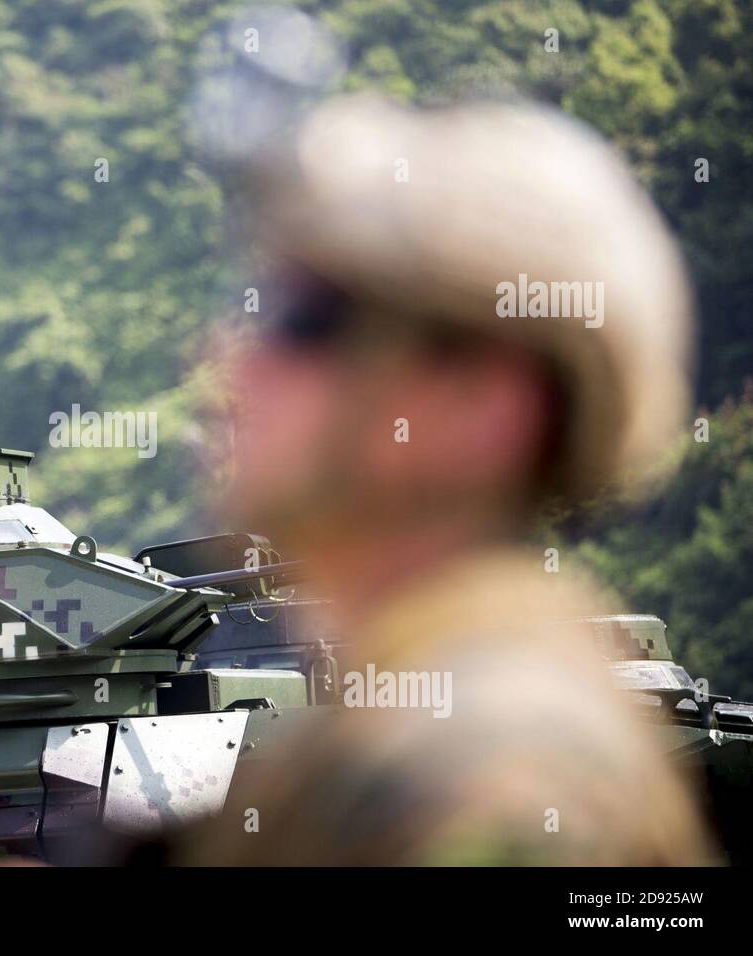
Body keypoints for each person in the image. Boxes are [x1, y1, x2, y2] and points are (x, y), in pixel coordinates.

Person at [166, 95, 718, 864]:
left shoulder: (492, 777)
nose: (234, 357)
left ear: (482, 404)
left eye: (308, 319)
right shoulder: (395, 735)